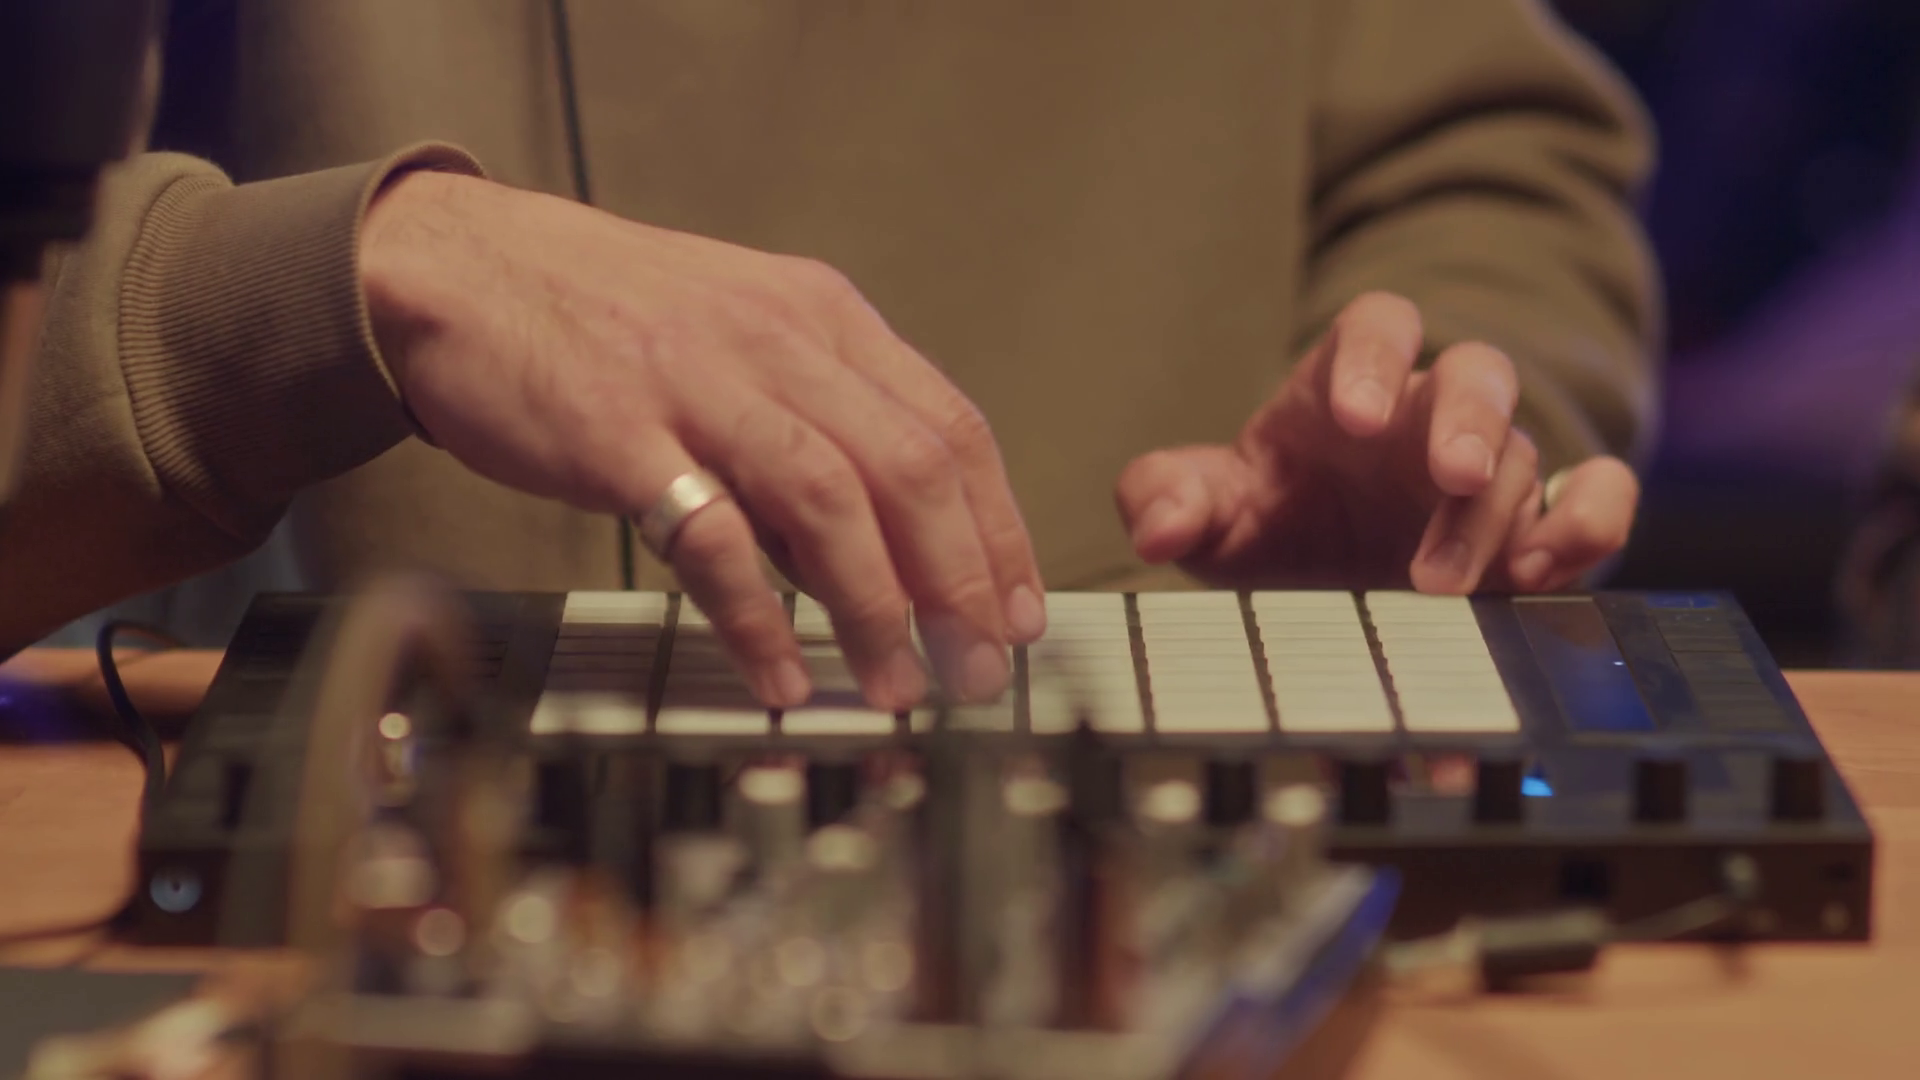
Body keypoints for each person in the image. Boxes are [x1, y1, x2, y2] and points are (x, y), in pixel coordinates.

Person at [2, 0, 1659, 710]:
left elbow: (1481, 167)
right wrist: (330, 278)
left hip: (1166, 796)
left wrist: (1426, 419)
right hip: (349, 794)